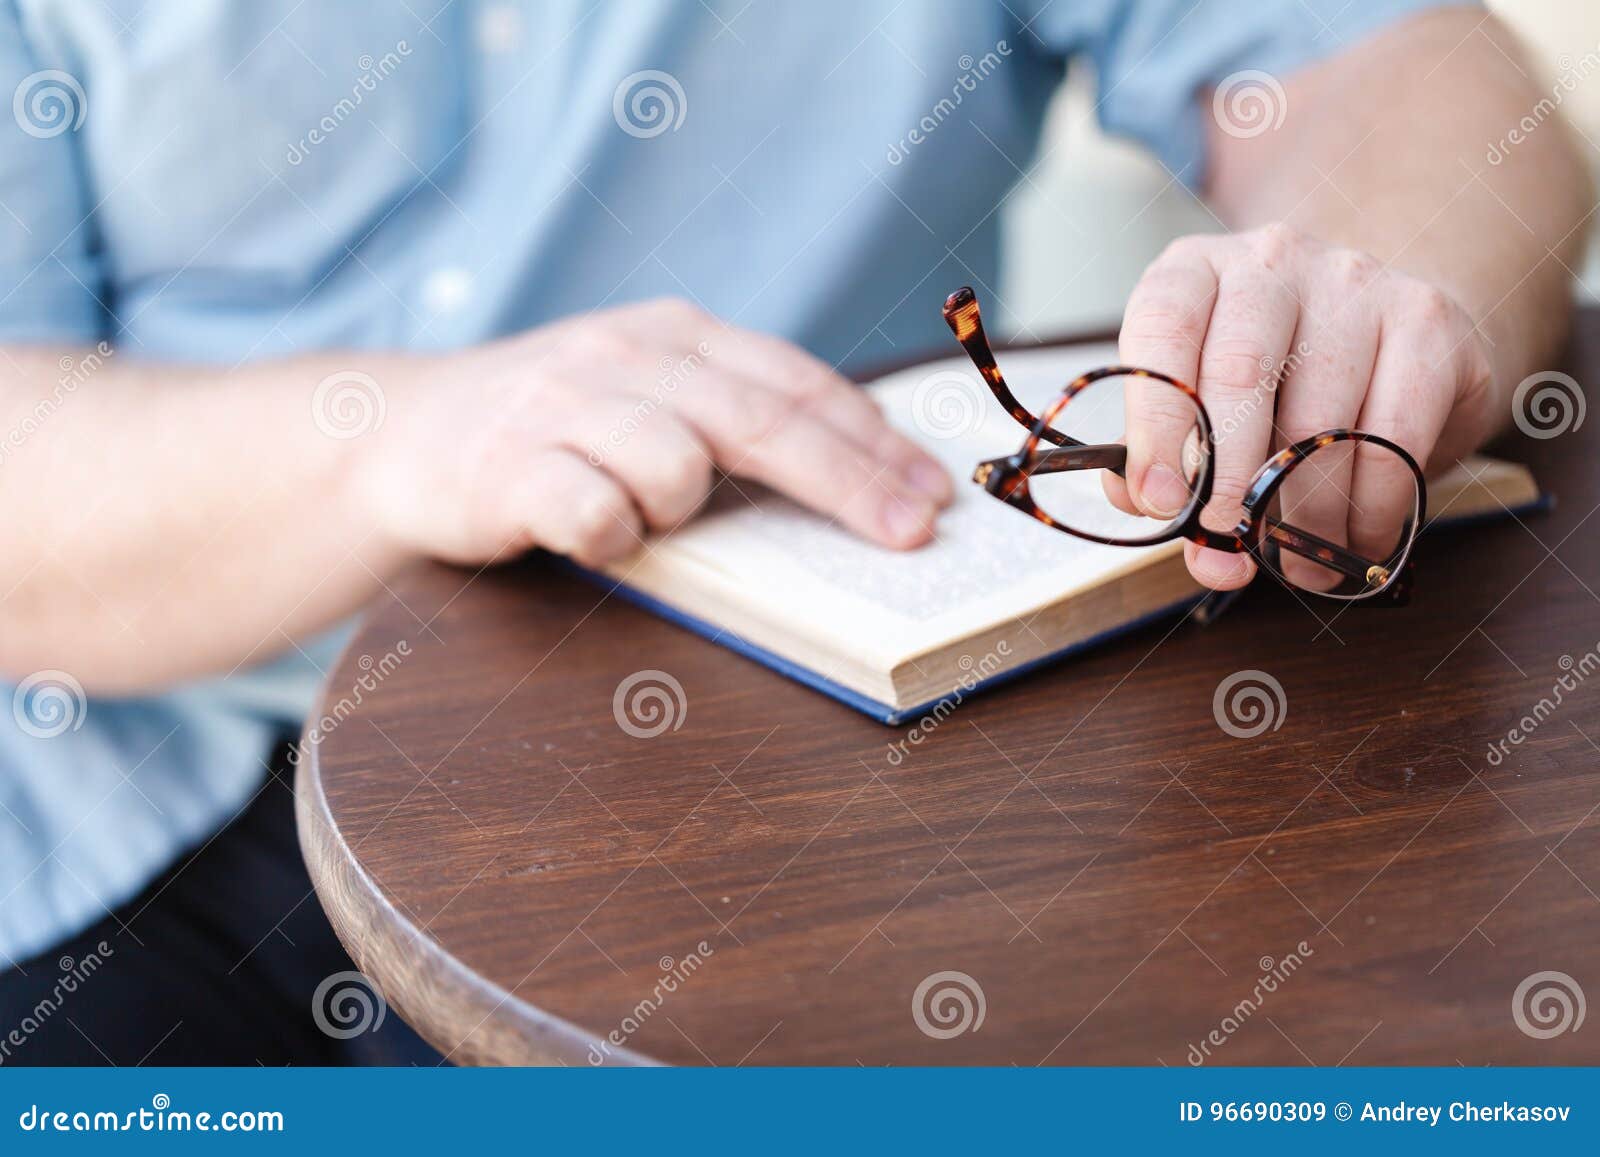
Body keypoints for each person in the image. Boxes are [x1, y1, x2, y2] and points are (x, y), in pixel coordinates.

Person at [0, 1, 1587, 1064]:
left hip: (818, 773)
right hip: (142, 812)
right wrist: (380, 437)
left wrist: (1367, 298)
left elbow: (1385, 54)